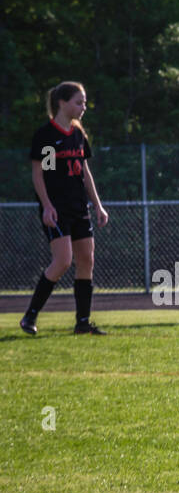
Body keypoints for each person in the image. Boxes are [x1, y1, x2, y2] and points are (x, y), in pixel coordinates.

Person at [21, 81, 109, 336]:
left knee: (86, 260)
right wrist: (47, 206)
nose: (83, 107)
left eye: (84, 102)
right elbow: (41, 174)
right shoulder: (48, 136)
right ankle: (30, 316)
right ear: (62, 103)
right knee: (62, 261)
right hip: (58, 209)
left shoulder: (78, 134)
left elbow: (84, 172)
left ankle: (82, 322)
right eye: (78, 102)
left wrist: (98, 205)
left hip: (78, 206)